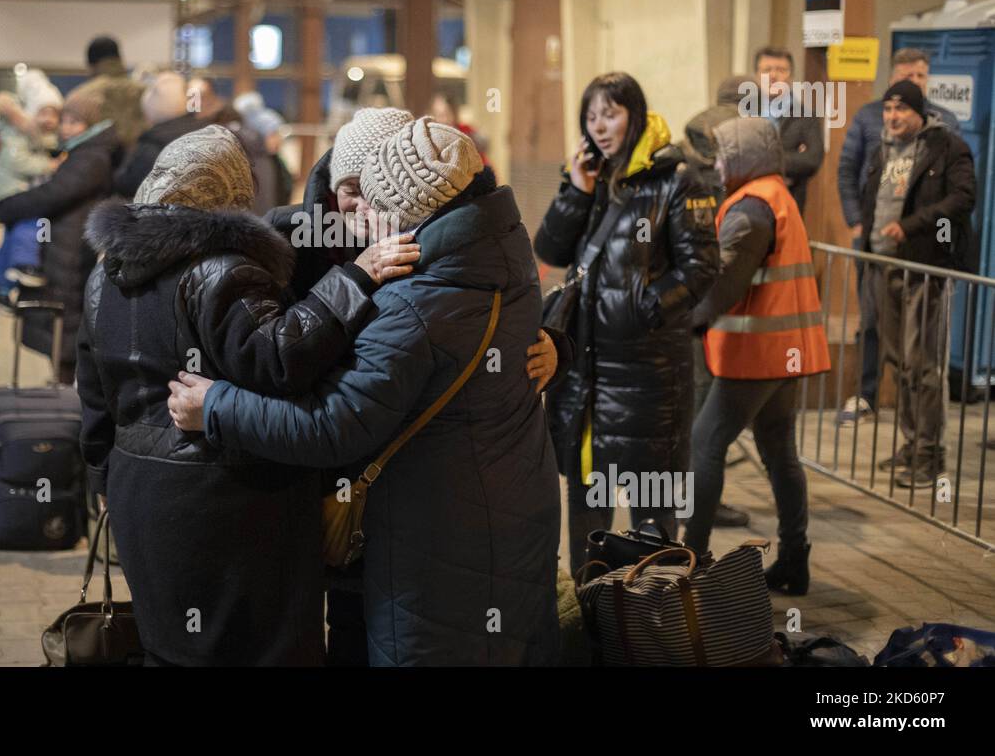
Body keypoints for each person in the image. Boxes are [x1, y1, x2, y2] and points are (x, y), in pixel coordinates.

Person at [169, 119, 563, 666]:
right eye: (343, 191)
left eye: (366, 195)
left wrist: (215, 406)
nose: (352, 208)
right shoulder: (494, 248)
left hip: (418, 528)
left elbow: (333, 423)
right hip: (474, 512)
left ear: (406, 203)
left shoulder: (416, 295)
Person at [78, 124, 419, 666]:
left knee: (172, 648)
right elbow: (279, 359)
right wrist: (353, 278)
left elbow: (94, 392)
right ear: (230, 193)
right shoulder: (221, 270)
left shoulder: (105, 274)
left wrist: (100, 477)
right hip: (226, 501)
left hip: (137, 491)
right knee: (259, 650)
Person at [533, 72, 719, 576]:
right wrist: (575, 189)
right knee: (588, 516)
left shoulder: (678, 180)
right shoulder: (591, 179)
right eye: (591, 116)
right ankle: (593, 621)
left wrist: (643, 310)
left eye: (610, 114)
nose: (600, 127)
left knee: (652, 518)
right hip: (586, 377)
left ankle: (653, 626)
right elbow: (548, 249)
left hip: (648, 377)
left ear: (635, 115)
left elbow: (701, 268)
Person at [682, 117, 831, 594]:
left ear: (744, 156)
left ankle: (693, 559)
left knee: (704, 443)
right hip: (786, 353)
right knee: (780, 452)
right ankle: (793, 559)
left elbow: (725, 284)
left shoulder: (750, 208)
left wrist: (684, 320)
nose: (718, 164)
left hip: (757, 354)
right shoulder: (776, 193)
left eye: (724, 154)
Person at [835, 47, 961, 427]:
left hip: (919, 251)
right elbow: (848, 171)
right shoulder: (870, 120)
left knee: (919, 341)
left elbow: (953, 193)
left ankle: (923, 434)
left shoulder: (945, 126)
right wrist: (859, 222)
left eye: (922, 75)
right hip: (875, 242)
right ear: (891, 77)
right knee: (872, 320)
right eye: (907, 74)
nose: (915, 81)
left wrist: (928, 233)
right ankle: (868, 394)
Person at [860, 79, 975, 489]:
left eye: (901, 109)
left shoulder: (946, 148)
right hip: (883, 266)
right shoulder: (883, 149)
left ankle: (930, 454)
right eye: (888, 109)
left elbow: (962, 200)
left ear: (918, 112)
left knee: (925, 365)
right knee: (900, 361)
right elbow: (869, 197)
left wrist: (912, 227)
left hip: (925, 267)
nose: (892, 117)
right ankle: (911, 443)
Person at [0, 78, 119, 384]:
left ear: (92, 124)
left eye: (74, 121)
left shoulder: (92, 156)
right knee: (59, 321)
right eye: (65, 119)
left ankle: (65, 390)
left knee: (66, 323)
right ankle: (61, 384)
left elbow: (54, 194)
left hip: (71, 252)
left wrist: (6, 207)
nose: (64, 127)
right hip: (63, 248)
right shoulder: (82, 151)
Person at [680, 74, 758, 530]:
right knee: (706, 402)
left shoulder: (688, 140)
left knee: (694, 398)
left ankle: (686, 497)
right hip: (714, 285)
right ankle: (699, 504)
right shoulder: (741, 142)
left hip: (686, 286)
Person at [0, 70, 62, 310]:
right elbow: (16, 161)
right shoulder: (18, 133)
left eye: (55, 113)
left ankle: (0, 288)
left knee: (10, 239)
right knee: (31, 219)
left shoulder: (41, 137)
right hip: (10, 191)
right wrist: (50, 165)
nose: (49, 119)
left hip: (15, 191)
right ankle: (26, 264)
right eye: (44, 112)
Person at [110, 71, 208, 199]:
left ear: (151, 111)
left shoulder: (152, 144)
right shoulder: (208, 132)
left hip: (161, 216)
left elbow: (127, 185)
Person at [753, 46, 824, 212]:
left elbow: (811, 160)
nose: (773, 75)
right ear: (756, 76)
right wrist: (787, 162)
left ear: (791, 77)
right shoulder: (745, 113)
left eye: (781, 70)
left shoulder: (806, 116)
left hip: (789, 203)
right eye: (767, 70)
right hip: (750, 203)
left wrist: (760, 162)